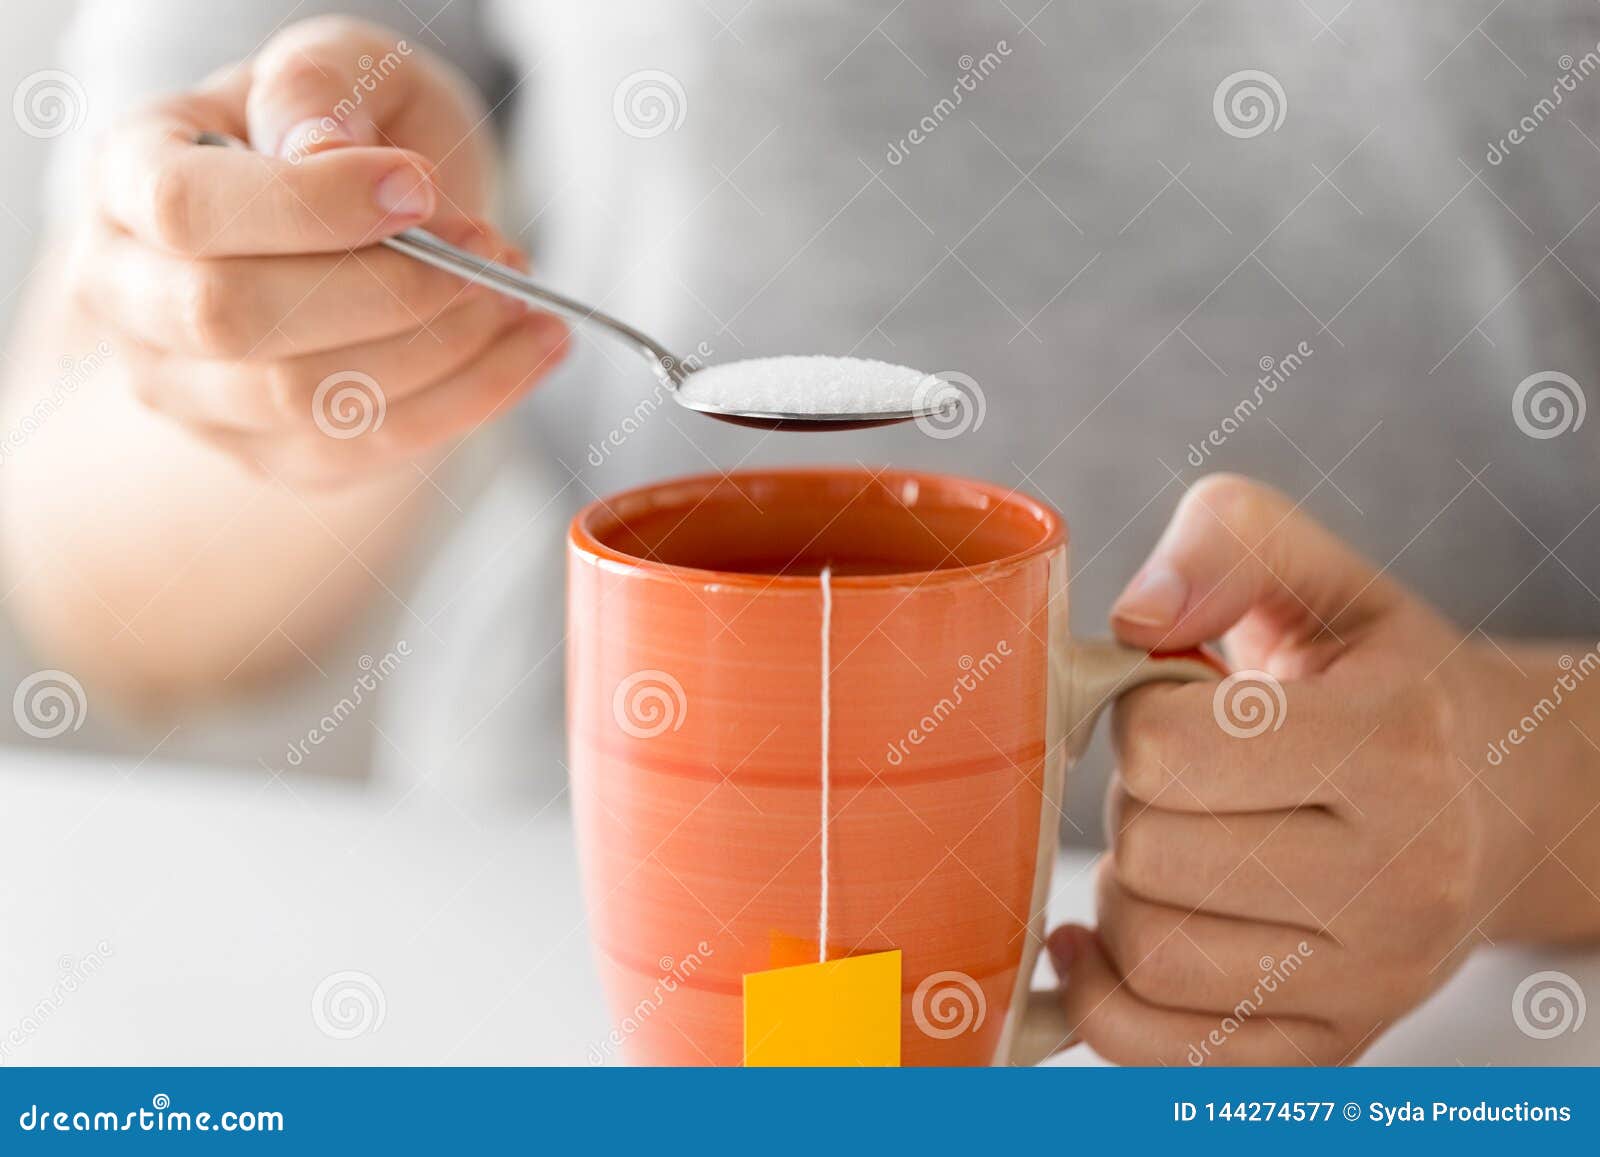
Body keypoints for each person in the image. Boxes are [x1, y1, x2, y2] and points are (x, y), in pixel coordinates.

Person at [2, 2, 1596, 1065]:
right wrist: (325, 355)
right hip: (520, 984)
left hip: (1491, 1019)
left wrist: (1515, 790)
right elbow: (83, 569)